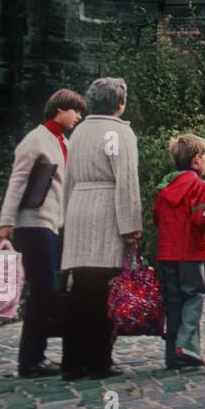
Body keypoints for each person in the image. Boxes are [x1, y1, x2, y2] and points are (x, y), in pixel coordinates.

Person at [0, 89, 86, 377]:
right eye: (75, 110)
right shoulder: (35, 140)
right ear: (59, 109)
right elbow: (18, 181)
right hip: (33, 224)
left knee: (48, 290)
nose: (78, 116)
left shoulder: (64, 143)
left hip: (54, 225)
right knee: (42, 291)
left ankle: (37, 355)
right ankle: (31, 359)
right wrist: (6, 222)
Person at [59, 77, 142, 381]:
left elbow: (68, 178)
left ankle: (72, 360)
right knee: (103, 291)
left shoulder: (78, 133)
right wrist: (132, 225)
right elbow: (127, 182)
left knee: (81, 290)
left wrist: (65, 218)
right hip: (105, 212)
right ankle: (98, 360)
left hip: (79, 209)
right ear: (119, 104)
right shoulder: (120, 132)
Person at [153, 134, 205, 369]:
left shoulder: (164, 187)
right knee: (194, 296)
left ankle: (172, 355)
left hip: (167, 252)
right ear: (197, 159)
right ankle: (187, 345)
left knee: (173, 301)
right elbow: (203, 218)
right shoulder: (199, 186)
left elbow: (157, 218)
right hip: (190, 251)